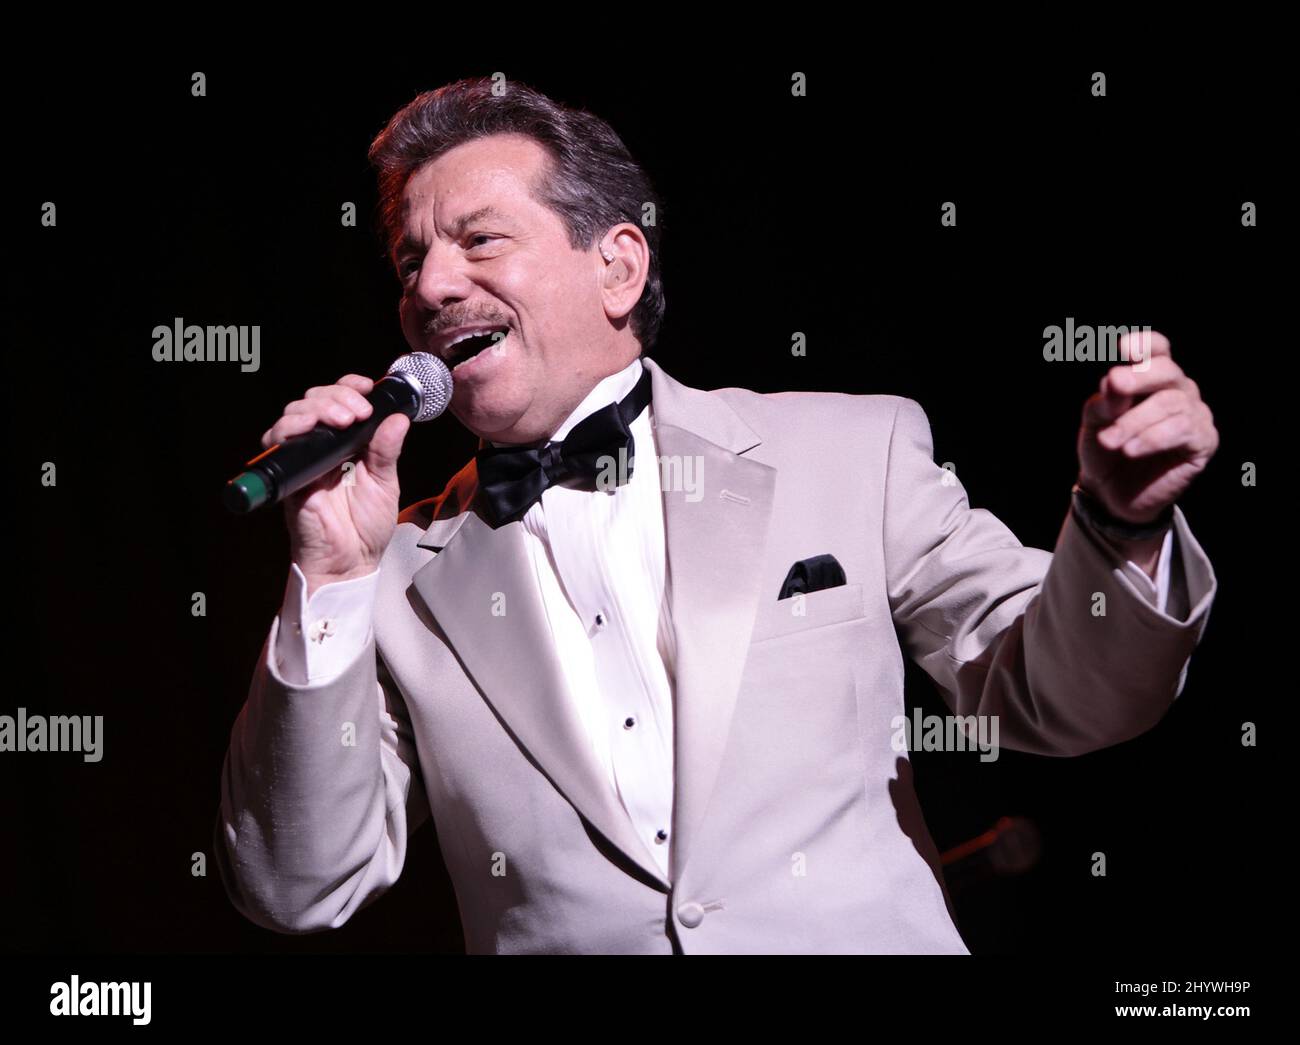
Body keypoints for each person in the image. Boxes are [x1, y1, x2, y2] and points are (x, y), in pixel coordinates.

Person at [213, 77, 1219, 954]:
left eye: (478, 239)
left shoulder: (847, 452)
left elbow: (1062, 696)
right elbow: (296, 885)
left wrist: (1119, 525)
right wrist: (331, 582)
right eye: (408, 262)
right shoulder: (393, 577)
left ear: (618, 266)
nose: (431, 287)